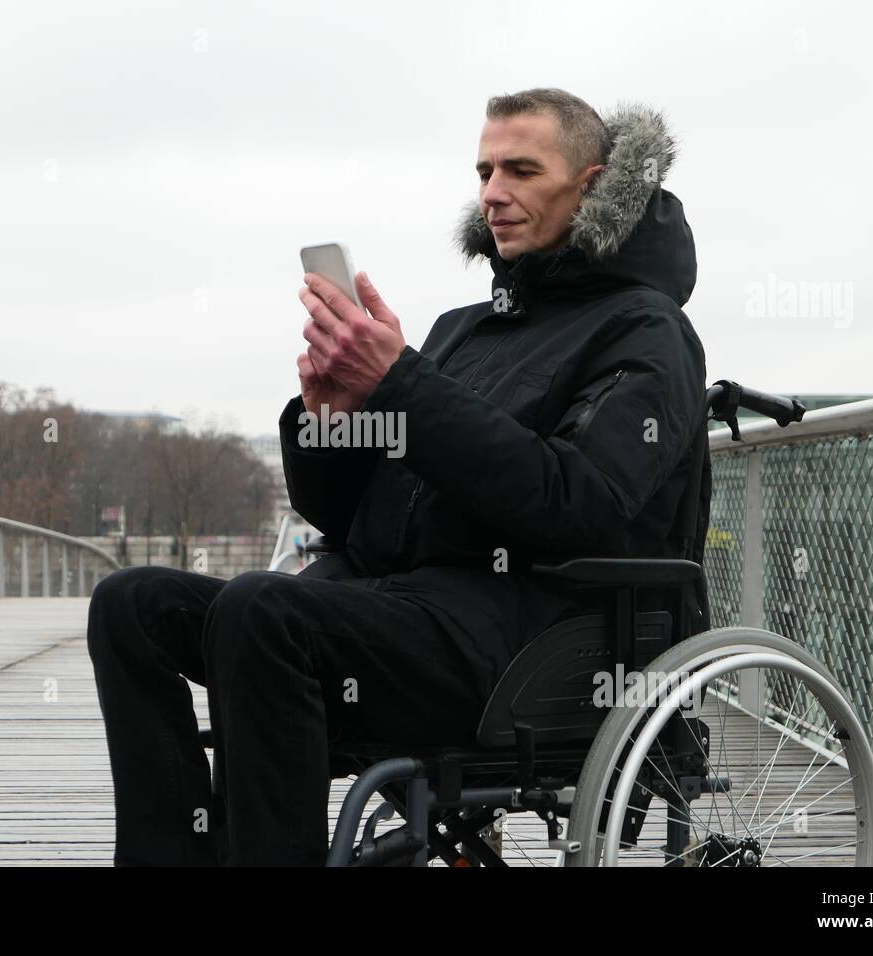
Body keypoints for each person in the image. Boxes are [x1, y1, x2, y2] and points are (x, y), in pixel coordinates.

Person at [87, 88, 710, 866]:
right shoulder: (465, 331)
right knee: (131, 604)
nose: (492, 192)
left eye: (520, 169)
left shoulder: (648, 331)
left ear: (590, 186)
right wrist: (332, 418)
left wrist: (403, 383)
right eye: (483, 170)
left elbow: (576, 502)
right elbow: (350, 520)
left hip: (533, 636)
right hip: (404, 609)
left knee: (263, 609)